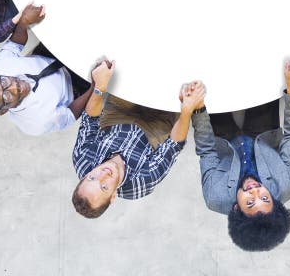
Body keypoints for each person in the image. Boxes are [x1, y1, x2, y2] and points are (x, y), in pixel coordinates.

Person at [191, 61, 290, 252]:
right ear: (275, 201)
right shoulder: (286, 185)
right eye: (266, 199)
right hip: (262, 136)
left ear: (236, 209)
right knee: (259, 75)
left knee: (213, 81)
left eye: (250, 202)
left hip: (224, 141)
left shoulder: (215, 197)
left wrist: (199, 110)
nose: (256, 192)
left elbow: (207, 150)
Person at [71, 60, 205, 218]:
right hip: (155, 128)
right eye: (105, 187)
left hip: (117, 118)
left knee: (133, 69)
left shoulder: (82, 160)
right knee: (179, 82)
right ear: (113, 197)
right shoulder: (142, 182)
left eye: (92, 177)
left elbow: (90, 120)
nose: (103, 175)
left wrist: (99, 87)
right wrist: (187, 110)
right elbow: (174, 145)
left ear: (85, 175)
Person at [0, 16, 92, 135]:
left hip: (49, 54)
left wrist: (23, 22)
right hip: (78, 85)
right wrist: (96, 86)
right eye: (6, 96)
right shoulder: (35, 124)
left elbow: (14, 45)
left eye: (4, 82)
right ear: (3, 111)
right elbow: (70, 114)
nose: (13, 87)